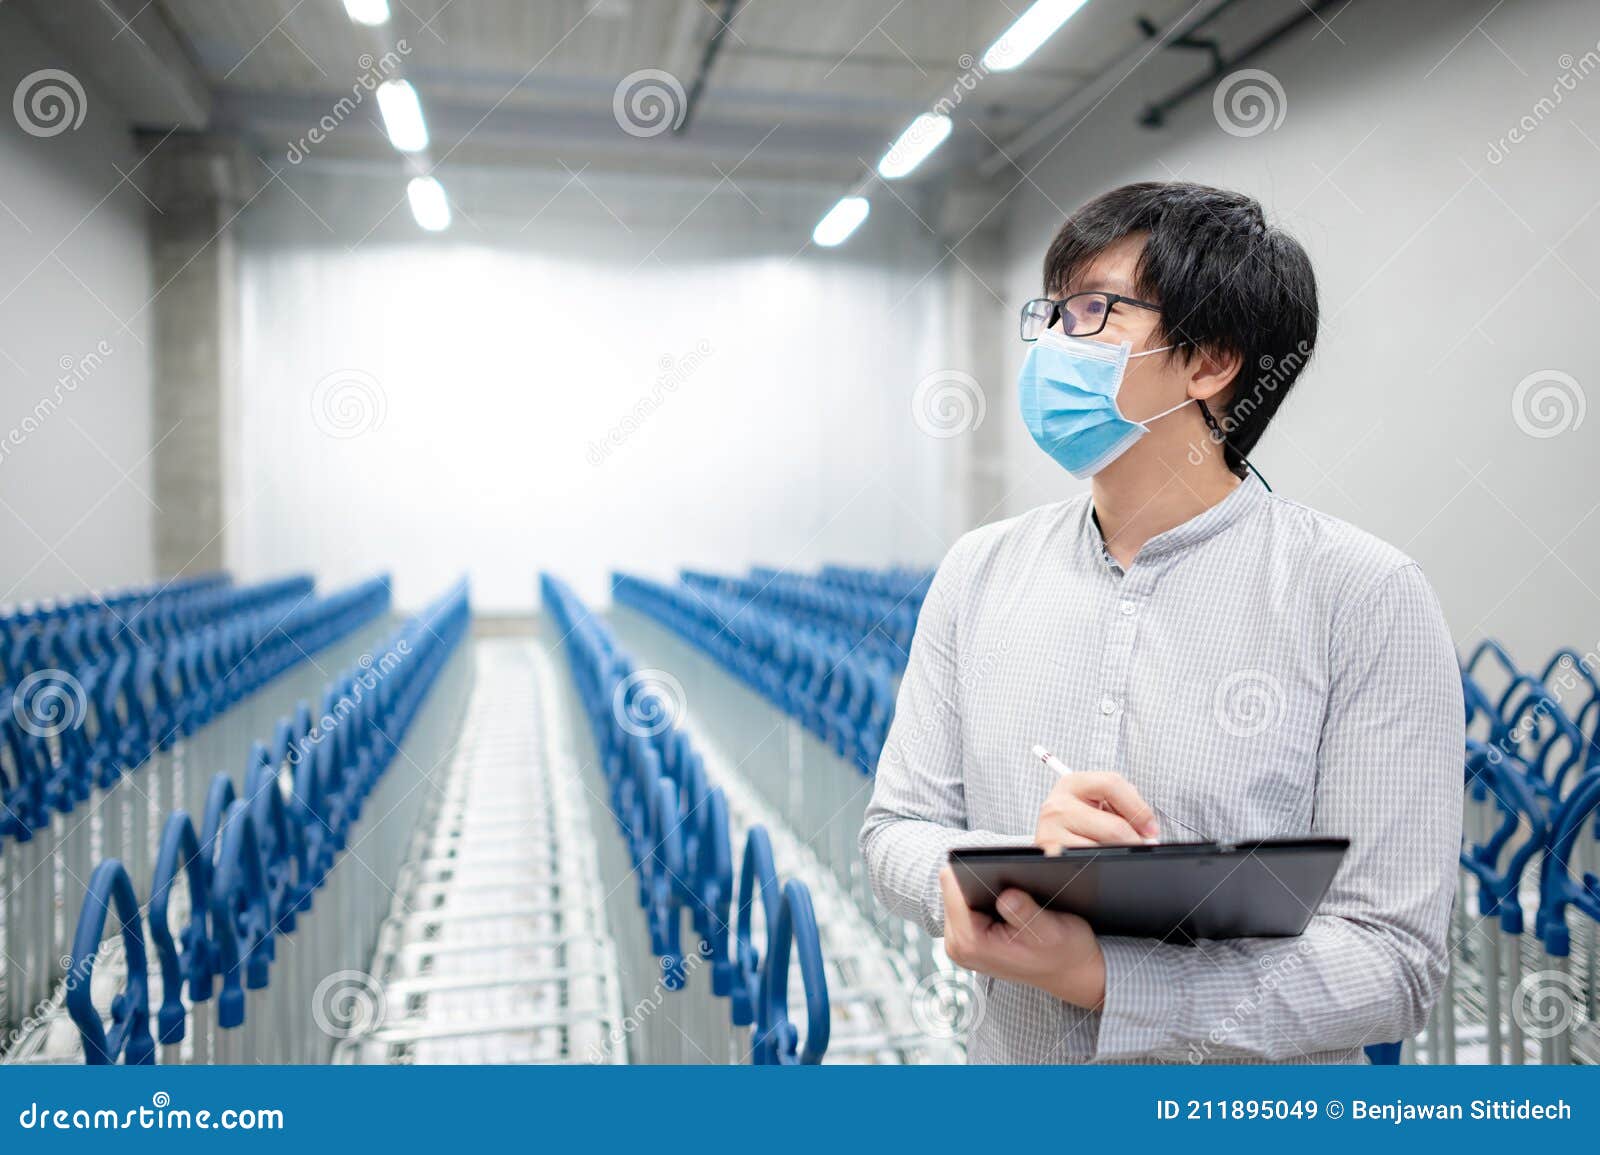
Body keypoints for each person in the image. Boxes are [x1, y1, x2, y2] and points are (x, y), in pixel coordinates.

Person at [859, 181, 1464, 1064]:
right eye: (1055, 313)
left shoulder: (1364, 596)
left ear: (1212, 360)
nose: (1056, 345)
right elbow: (895, 832)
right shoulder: (978, 573)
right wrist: (1010, 871)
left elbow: (1394, 959)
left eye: (1097, 311)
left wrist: (1112, 979)